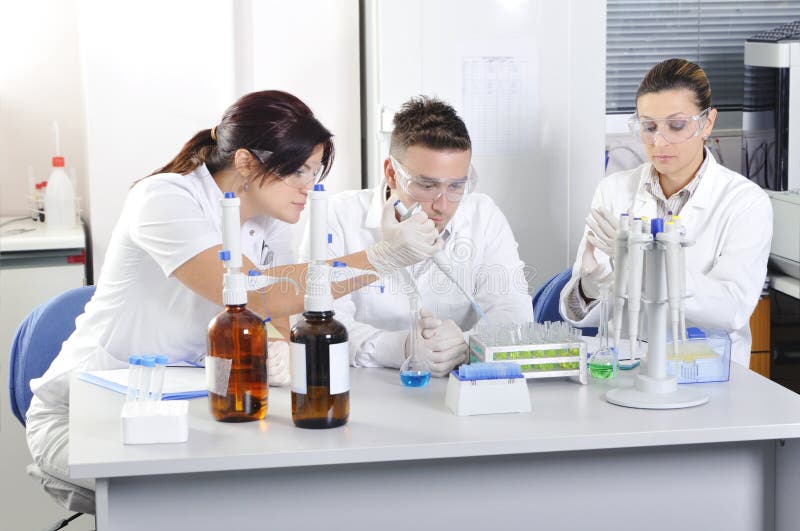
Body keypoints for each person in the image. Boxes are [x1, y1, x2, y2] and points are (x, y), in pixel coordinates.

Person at [25, 90, 442, 513]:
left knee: (278, 493)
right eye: (298, 171)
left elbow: (278, 310)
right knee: (197, 508)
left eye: (315, 172)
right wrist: (382, 257)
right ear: (245, 161)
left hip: (191, 408)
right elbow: (253, 293)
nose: (309, 187)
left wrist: (278, 346)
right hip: (90, 413)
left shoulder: (270, 220)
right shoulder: (164, 198)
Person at [559, 58, 772, 367]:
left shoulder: (744, 202)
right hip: (625, 369)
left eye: (676, 125)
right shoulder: (614, 191)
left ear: (707, 123)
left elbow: (732, 309)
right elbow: (583, 313)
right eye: (649, 127)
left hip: (706, 376)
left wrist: (642, 264)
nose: (659, 141)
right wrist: (589, 288)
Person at [301, 96, 532, 377]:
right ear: (391, 173)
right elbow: (319, 321)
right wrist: (403, 347)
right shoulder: (337, 216)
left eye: (457, 186)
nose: (442, 204)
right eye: (426, 185)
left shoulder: (483, 216)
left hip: (456, 392)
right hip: (366, 394)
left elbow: (514, 316)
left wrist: (465, 346)